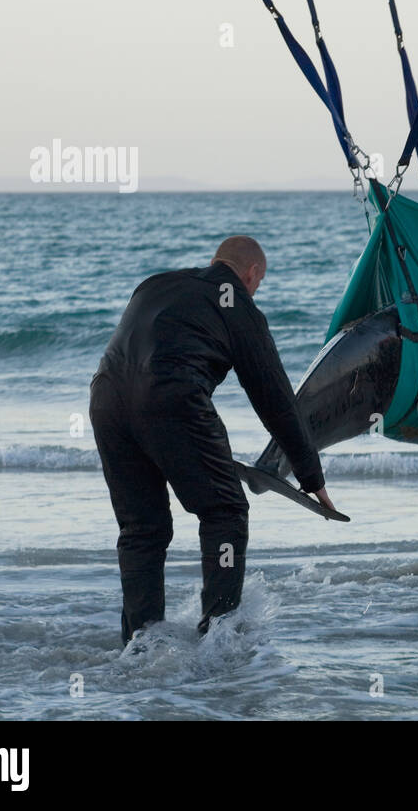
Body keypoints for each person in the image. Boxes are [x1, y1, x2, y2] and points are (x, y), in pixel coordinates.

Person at [89, 236, 335, 645]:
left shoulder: (155, 283)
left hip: (106, 399)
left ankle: (140, 642)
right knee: (225, 511)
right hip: (172, 395)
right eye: (259, 283)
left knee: (141, 527)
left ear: (214, 260)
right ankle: (218, 635)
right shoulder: (238, 305)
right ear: (252, 274)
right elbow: (274, 398)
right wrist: (311, 476)